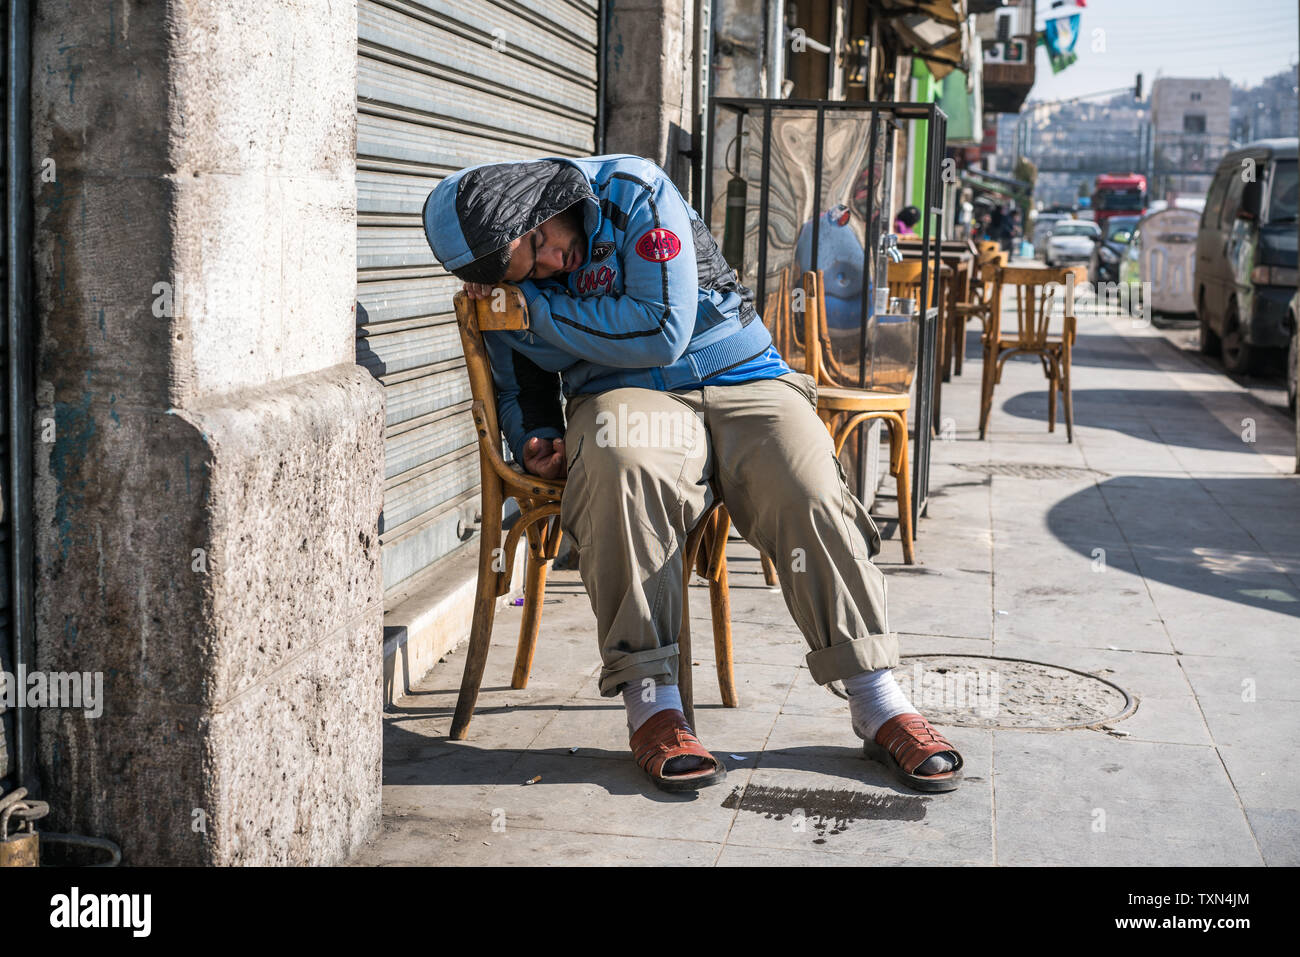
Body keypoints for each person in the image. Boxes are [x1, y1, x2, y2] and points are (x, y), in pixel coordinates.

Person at [422, 153, 963, 794]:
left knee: (806, 482)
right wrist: (535, 434)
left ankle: (878, 699)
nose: (547, 264)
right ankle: (654, 703)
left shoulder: (634, 191)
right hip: (624, 396)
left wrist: (533, 309)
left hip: (741, 374)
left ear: (544, 201)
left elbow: (662, 329)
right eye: (525, 268)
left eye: (541, 241)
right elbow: (518, 376)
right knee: (620, 464)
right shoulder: (511, 275)